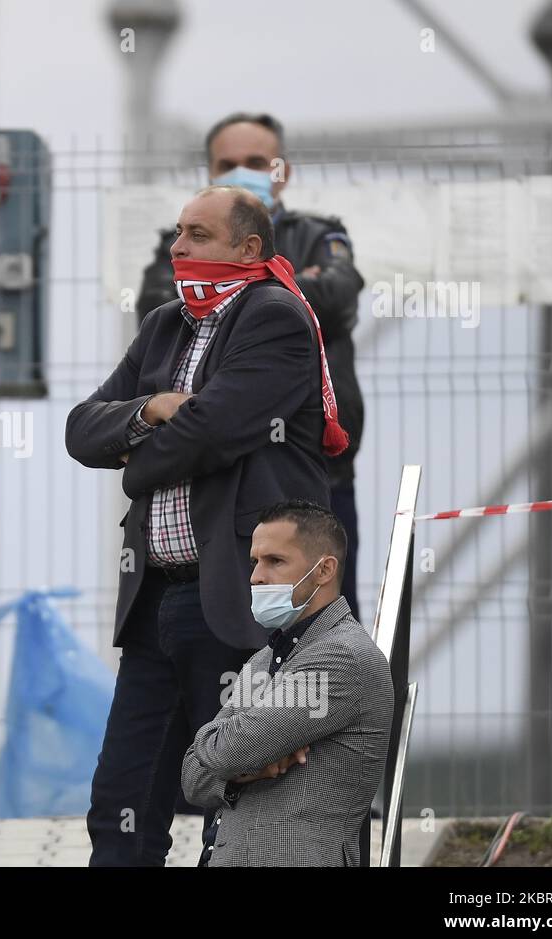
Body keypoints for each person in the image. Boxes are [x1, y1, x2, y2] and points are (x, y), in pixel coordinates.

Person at [65, 184, 347, 866]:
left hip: (238, 602)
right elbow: (80, 430)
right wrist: (154, 407)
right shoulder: (166, 322)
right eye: (178, 233)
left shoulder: (275, 315)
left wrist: (134, 460)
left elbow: (215, 431)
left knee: (243, 804)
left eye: (197, 233)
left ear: (248, 248)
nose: (177, 246)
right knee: (122, 808)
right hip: (156, 602)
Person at [137, 112, 366, 620]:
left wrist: (237, 289)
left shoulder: (319, 233)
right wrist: (286, 284)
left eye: (256, 162)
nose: (242, 171)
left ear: (282, 170)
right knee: (220, 632)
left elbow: (338, 296)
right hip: (218, 482)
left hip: (319, 474)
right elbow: (158, 306)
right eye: (228, 164)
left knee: (317, 632)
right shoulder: (175, 243)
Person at [182, 499, 393, 866]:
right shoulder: (263, 660)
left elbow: (229, 750)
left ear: (324, 569)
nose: (256, 577)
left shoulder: (341, 657)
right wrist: (243, 772)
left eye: (274, 561)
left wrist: (227, 748)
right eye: (254, 562)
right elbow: (191, 778)